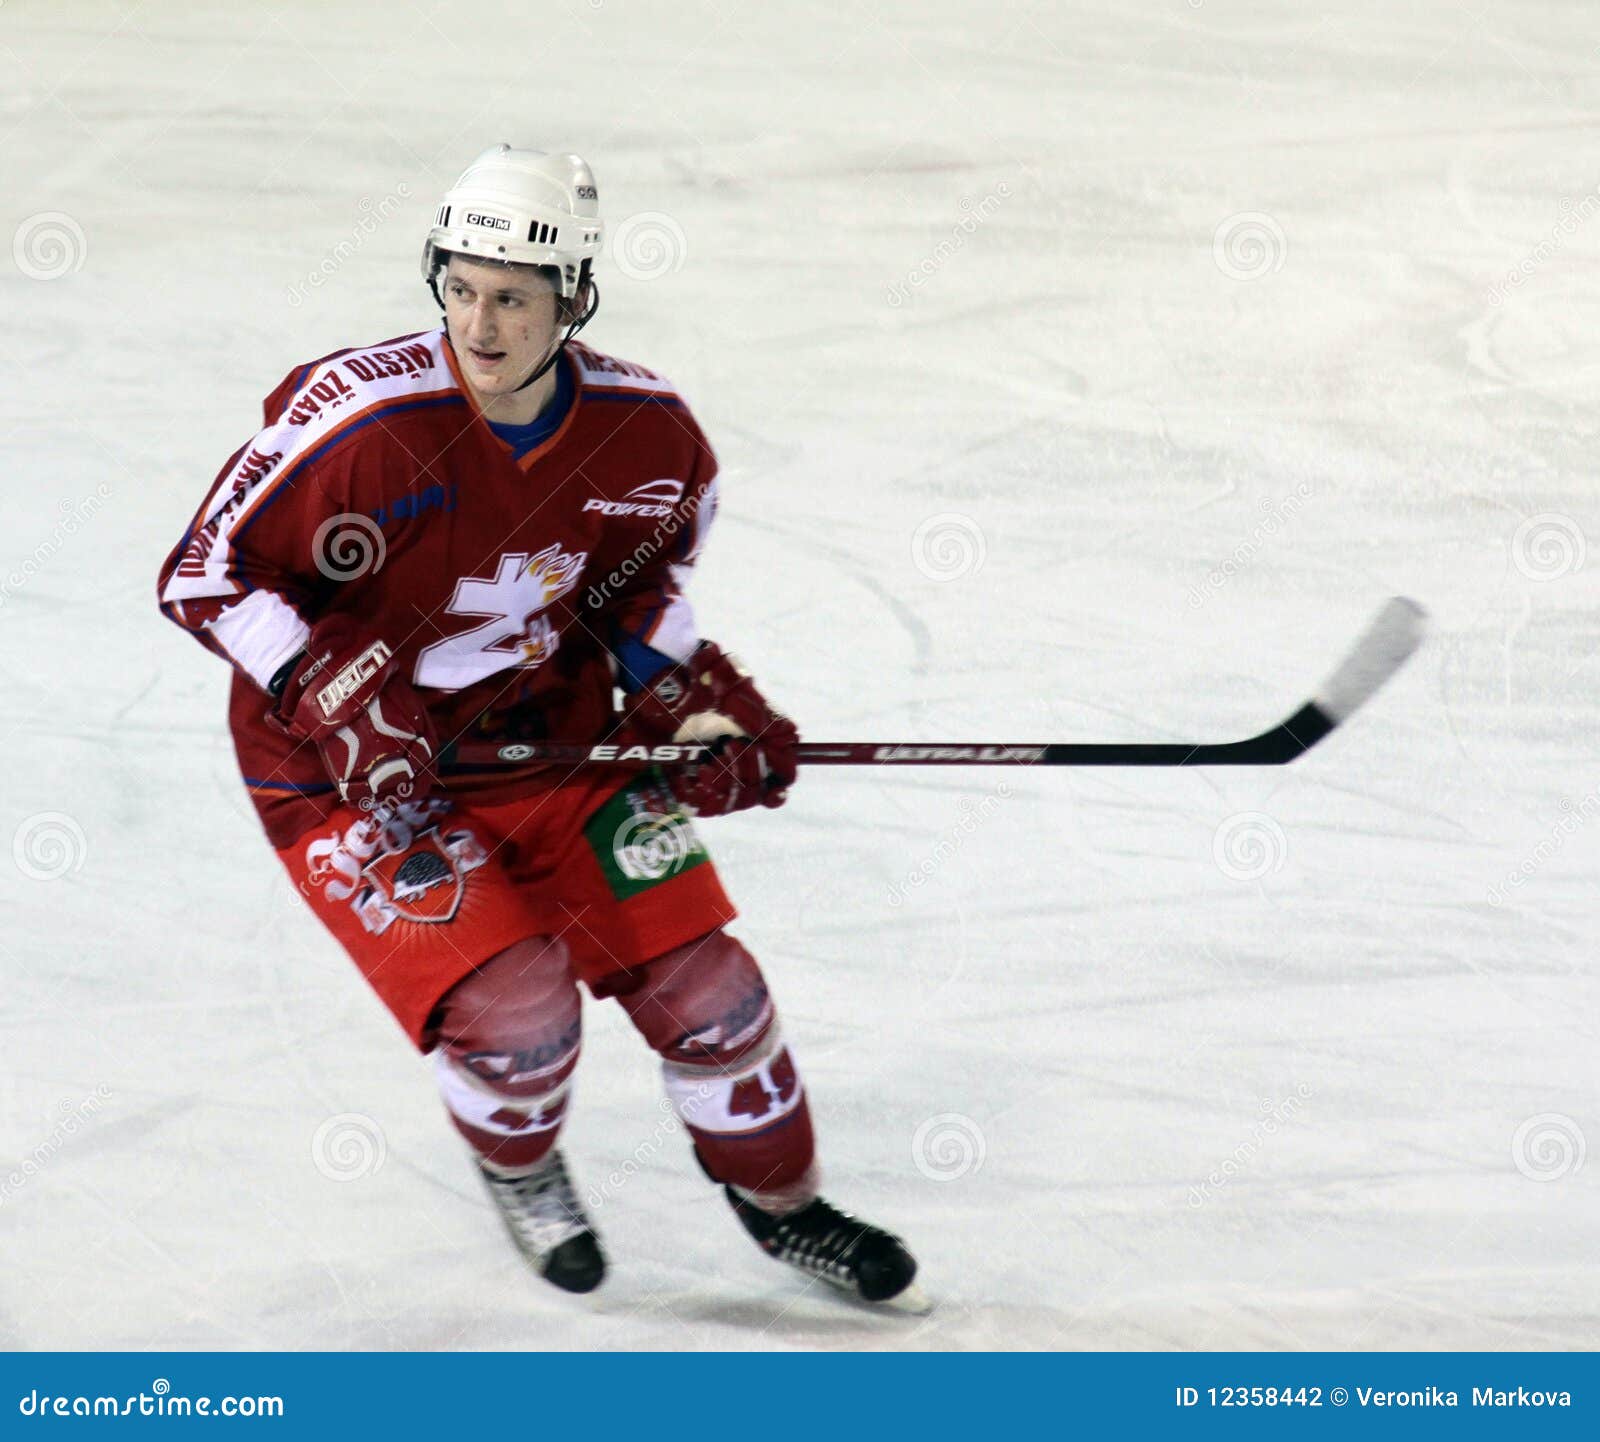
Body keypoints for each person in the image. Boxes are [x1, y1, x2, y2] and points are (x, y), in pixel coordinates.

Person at [156, 144, 918, 1305]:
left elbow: (636, 600)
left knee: (715, 996)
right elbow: (205, 573)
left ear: (574, 297)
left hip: (550, 741)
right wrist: (332, 697)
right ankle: (523, 1170)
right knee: (519, 1015)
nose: (480, 319)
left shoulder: (647, 435)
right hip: (350, 776)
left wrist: (696, 702)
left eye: (512, 295)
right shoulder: (355, 420)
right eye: (459, 286)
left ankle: (786, 1206)